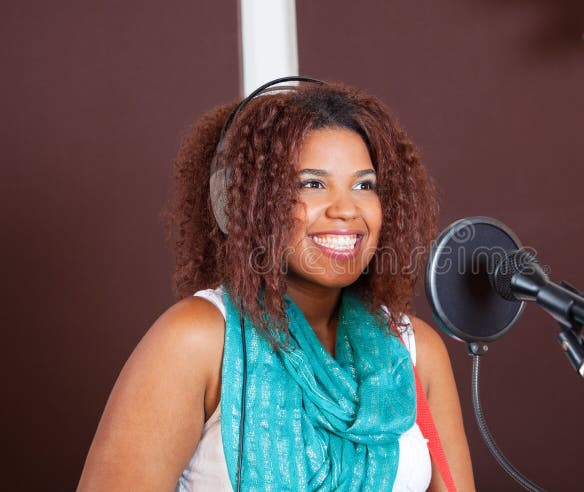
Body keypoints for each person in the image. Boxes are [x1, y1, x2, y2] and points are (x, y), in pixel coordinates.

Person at [78, 79, 475, 491]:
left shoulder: (414, 351)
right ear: (244, 204)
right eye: (312, 184)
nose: (346, 209)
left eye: (364, 185)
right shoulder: (197, 338)